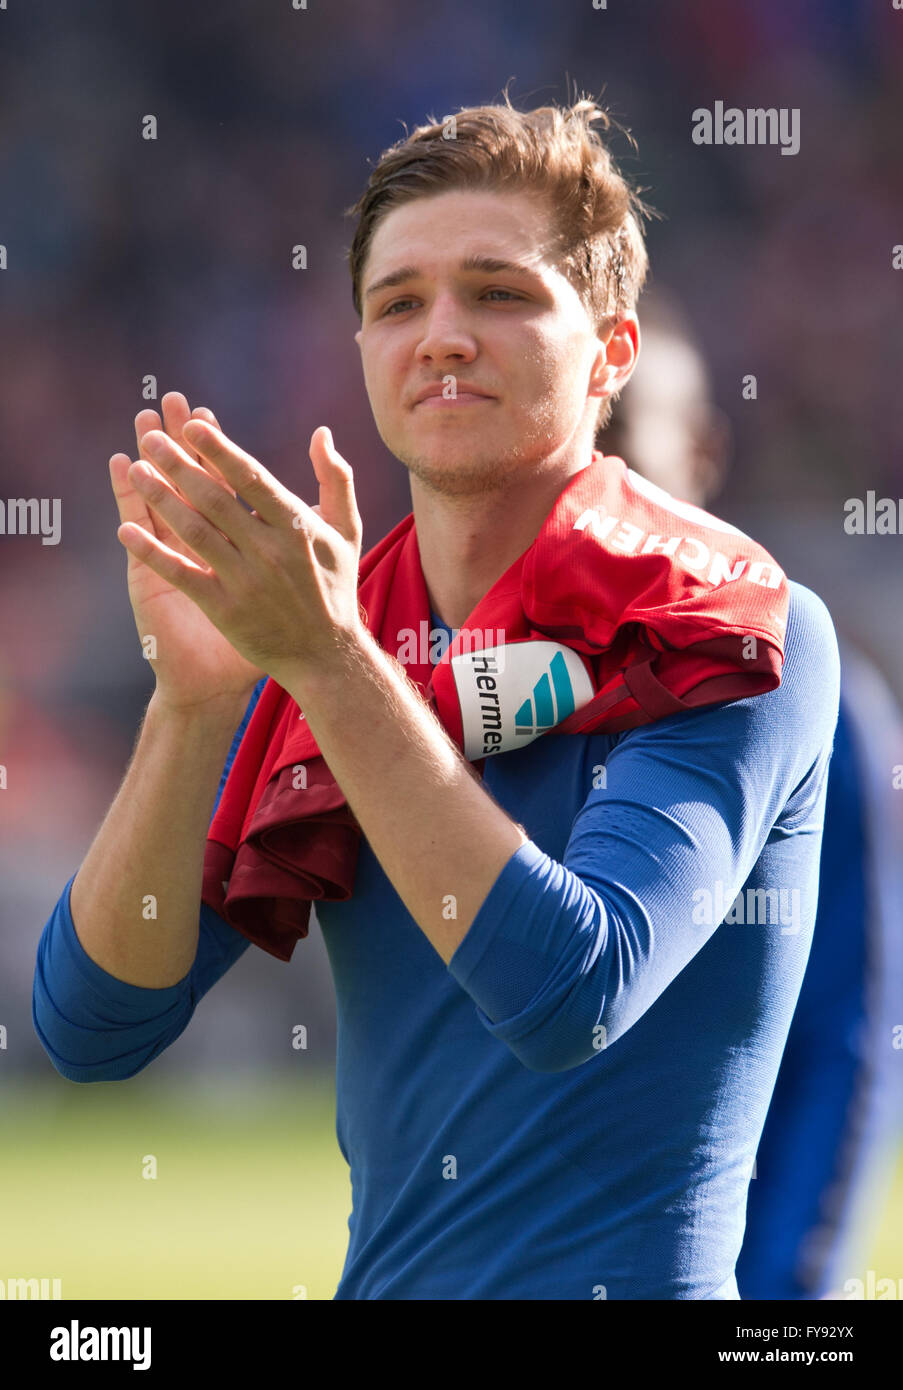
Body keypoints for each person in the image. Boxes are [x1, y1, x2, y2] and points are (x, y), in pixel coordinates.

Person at [33, 91, 840, 1299]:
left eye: (500, 292)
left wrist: (331, 663)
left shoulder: (731, 617)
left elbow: (576, 991)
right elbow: (94, 1028)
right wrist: (192, 706)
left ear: (613, 349)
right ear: (361, 349)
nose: (443, 335)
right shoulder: (318, 626)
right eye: (398, 303)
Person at [600, 288, 903, 1301]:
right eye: (583, 442)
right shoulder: (486, 693)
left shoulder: (813, 701)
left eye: (628, 438)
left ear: (703, 458)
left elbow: (849, 1038)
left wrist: (785, 1295)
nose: (602, 476)